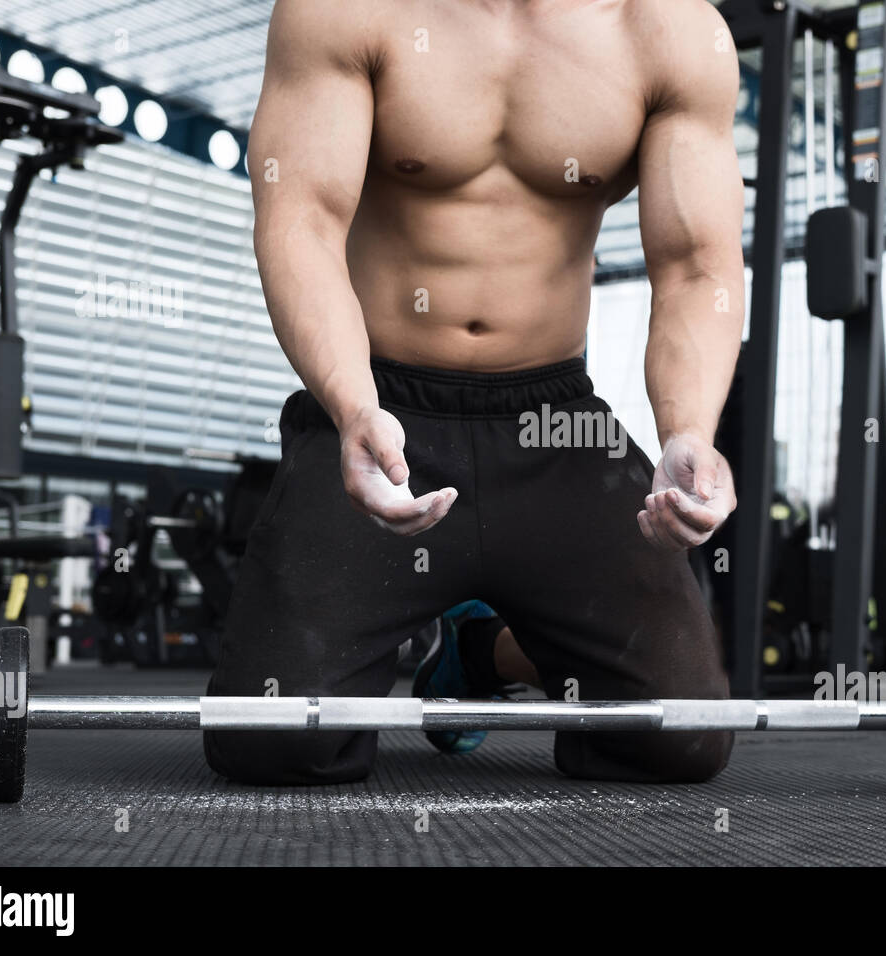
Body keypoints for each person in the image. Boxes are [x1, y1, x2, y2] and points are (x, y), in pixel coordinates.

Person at [204, 0, 746, 785]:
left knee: (677, 738)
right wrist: (353, 405)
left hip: (554, 427)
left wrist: (688, 432)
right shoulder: (346, 11)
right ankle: (390, 621)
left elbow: (698, 264)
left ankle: (479, 650)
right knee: (273, 741)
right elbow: (301, 220)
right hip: (383, 410)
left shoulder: (668, 30)